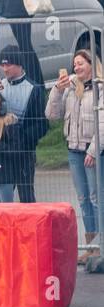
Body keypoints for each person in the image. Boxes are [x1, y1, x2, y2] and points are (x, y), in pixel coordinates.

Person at [46, 50, 104, 263]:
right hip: (73, 150)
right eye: (74, 65)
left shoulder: (100, 87)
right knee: (83, 199)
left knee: (97, 198)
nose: (76, 68)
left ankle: (101, 245)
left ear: (91, 64)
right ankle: (91, 244)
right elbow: (52, 115)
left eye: (80, 64)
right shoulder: (70, 88)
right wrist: (56, 91)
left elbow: (103, 123)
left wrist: (93, 150)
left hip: (92, 151)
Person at [0, 45, 48, 202]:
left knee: (26, 196)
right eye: (2, 65)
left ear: (19, 64)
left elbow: (42, 124)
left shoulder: (34, 89)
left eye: (8, 64)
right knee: (2, 199)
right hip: (1, 151)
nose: (4, 69)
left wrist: (22, 140)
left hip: (24, 152)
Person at [0, 0, 43, 85]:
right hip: (19, 9)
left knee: (25, 47)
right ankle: (36, 81)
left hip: (17, 10)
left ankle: (35, 82)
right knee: (25, 46)